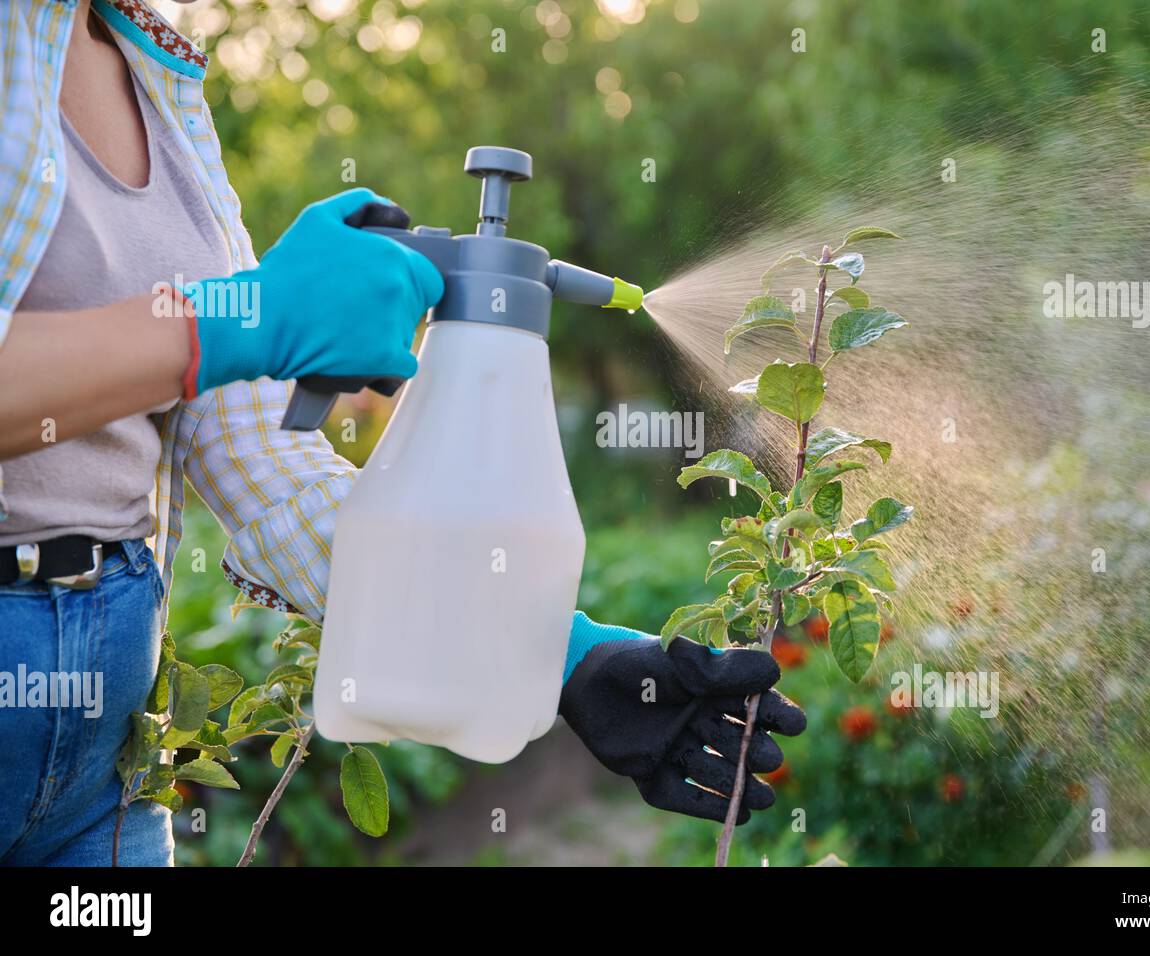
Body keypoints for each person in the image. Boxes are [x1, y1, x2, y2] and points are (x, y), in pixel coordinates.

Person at [0, 0, 804, 866]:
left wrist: (557, 650)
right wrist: (229, 323)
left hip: (100, 771)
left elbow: (263, 465)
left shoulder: (150, 69)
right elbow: (218, 331)